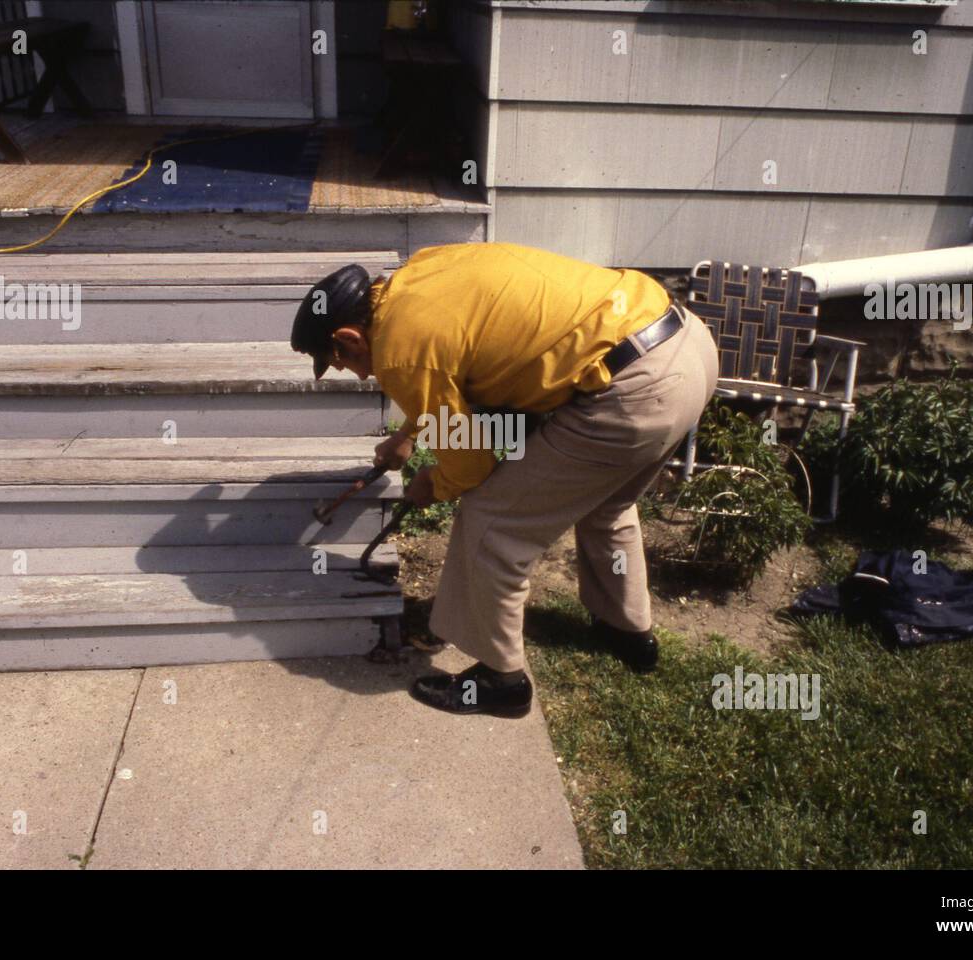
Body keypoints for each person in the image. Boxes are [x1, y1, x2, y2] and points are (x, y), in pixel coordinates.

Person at [291, 242, 718, 718]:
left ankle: (501, 681)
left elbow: (470, 464)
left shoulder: (399, 353)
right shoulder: (419, 274)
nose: (356, 375)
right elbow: (453, 362)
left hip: (634, 391)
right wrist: (411, 435)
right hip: (684, 347)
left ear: (349, 338)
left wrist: (432, 483)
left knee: (490, 522)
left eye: (342, 364)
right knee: (607, 506)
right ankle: (628, 632)